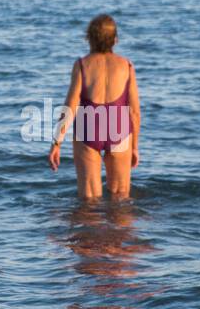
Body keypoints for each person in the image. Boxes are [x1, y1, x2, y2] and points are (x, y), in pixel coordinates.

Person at [48, 14, 140, 198]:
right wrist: (135, 147)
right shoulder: (126, 66)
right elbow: (135, 112)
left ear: (88, 38)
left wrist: (56, 143)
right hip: (118, 129)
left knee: (88, 203)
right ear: (115, 39)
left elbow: (71, 106)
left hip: (89, 129)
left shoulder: (82, 65)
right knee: (121, 200)